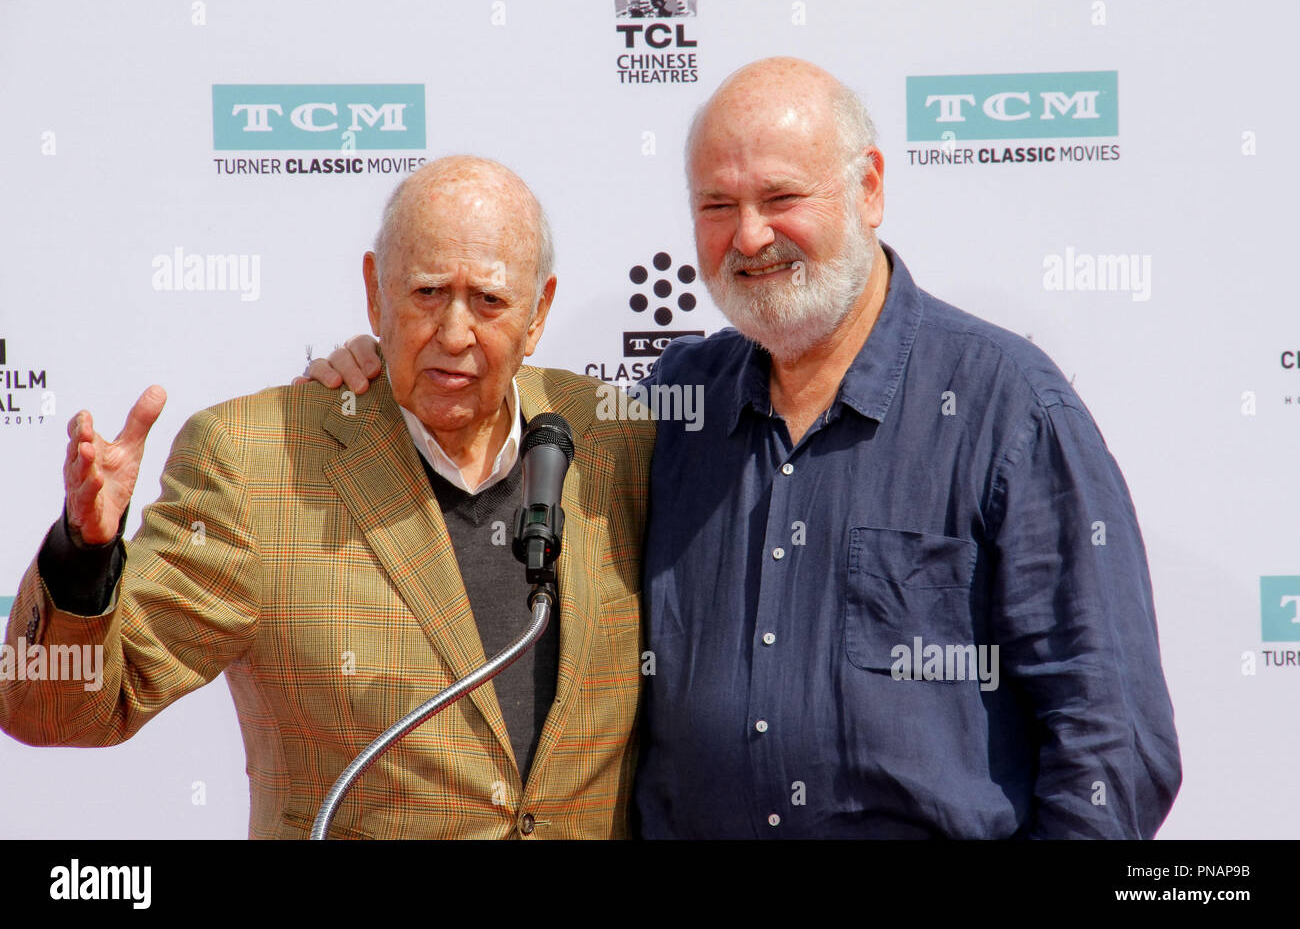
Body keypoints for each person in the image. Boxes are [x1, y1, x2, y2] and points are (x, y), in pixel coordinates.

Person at [308, 58, 1182, 838]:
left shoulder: (1008, 408)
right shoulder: (671, 411)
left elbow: (1112, 742)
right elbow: (494, 409)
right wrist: (386, 374)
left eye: (782, 197)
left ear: (869, 188)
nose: (750, 236)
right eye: (718, 206)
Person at [0, 156, 654, 839]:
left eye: (490, 301)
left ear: (540, 311)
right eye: (427, 293)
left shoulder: (616, 438)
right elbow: (51, 714)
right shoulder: (256, 463)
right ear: (374, 291)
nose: (456, 333)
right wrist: (84, 560)